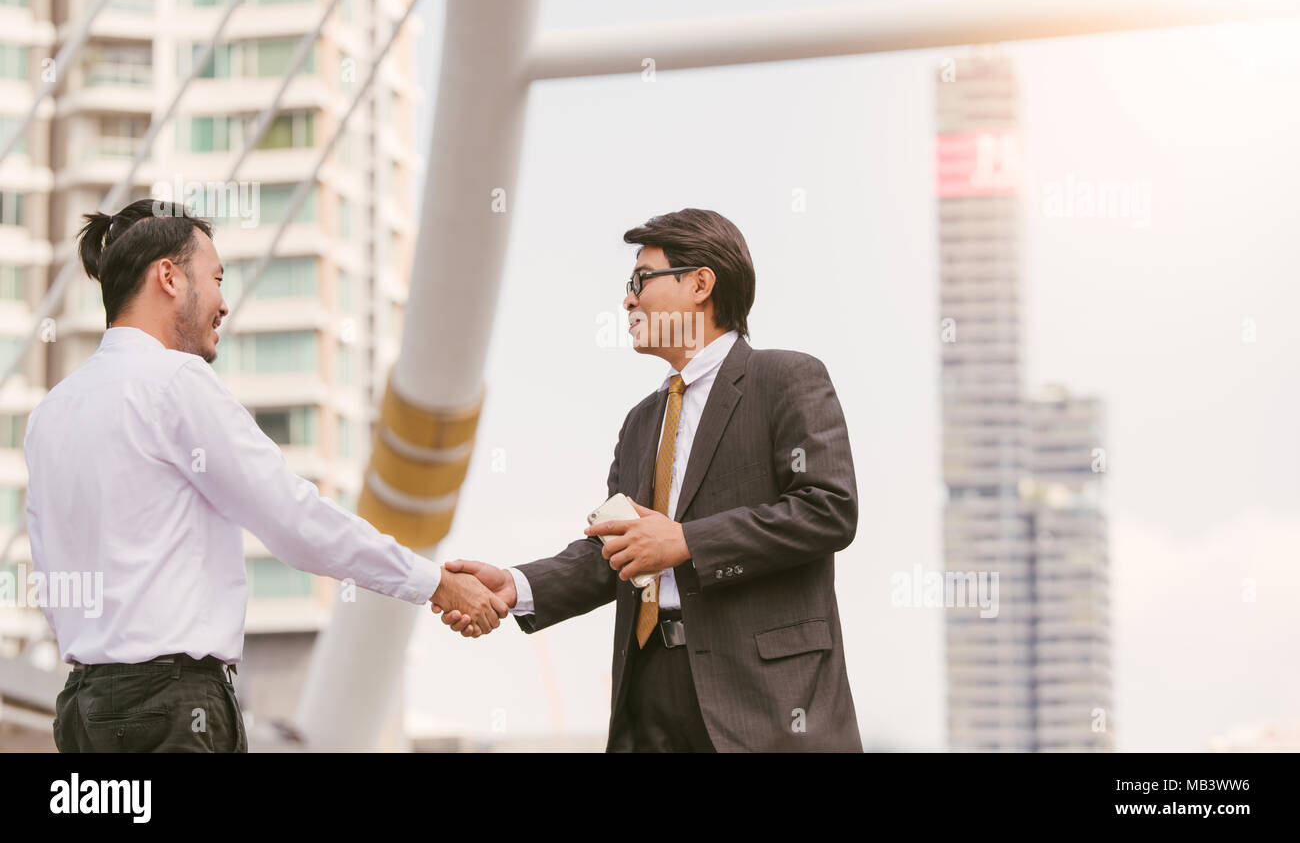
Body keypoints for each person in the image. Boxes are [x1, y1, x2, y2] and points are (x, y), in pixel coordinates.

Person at [25, 198, 506, 753]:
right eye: (216, 278)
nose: (224, 303)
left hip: (83, 713)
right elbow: (293, 519)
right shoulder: (176, 382)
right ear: (169, 277)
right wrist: (434, 582)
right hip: (173, 712)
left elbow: (49, 572)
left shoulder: (51, 412)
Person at [435, 208, 861, 751]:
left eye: (641, 279)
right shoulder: (640, 423)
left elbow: (828, 509)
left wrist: (686, 542)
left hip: (766, 703)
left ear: (700, 283)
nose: (628, 300)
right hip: (650, 696)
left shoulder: (786, 378)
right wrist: (516, 586)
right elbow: (611, 553)